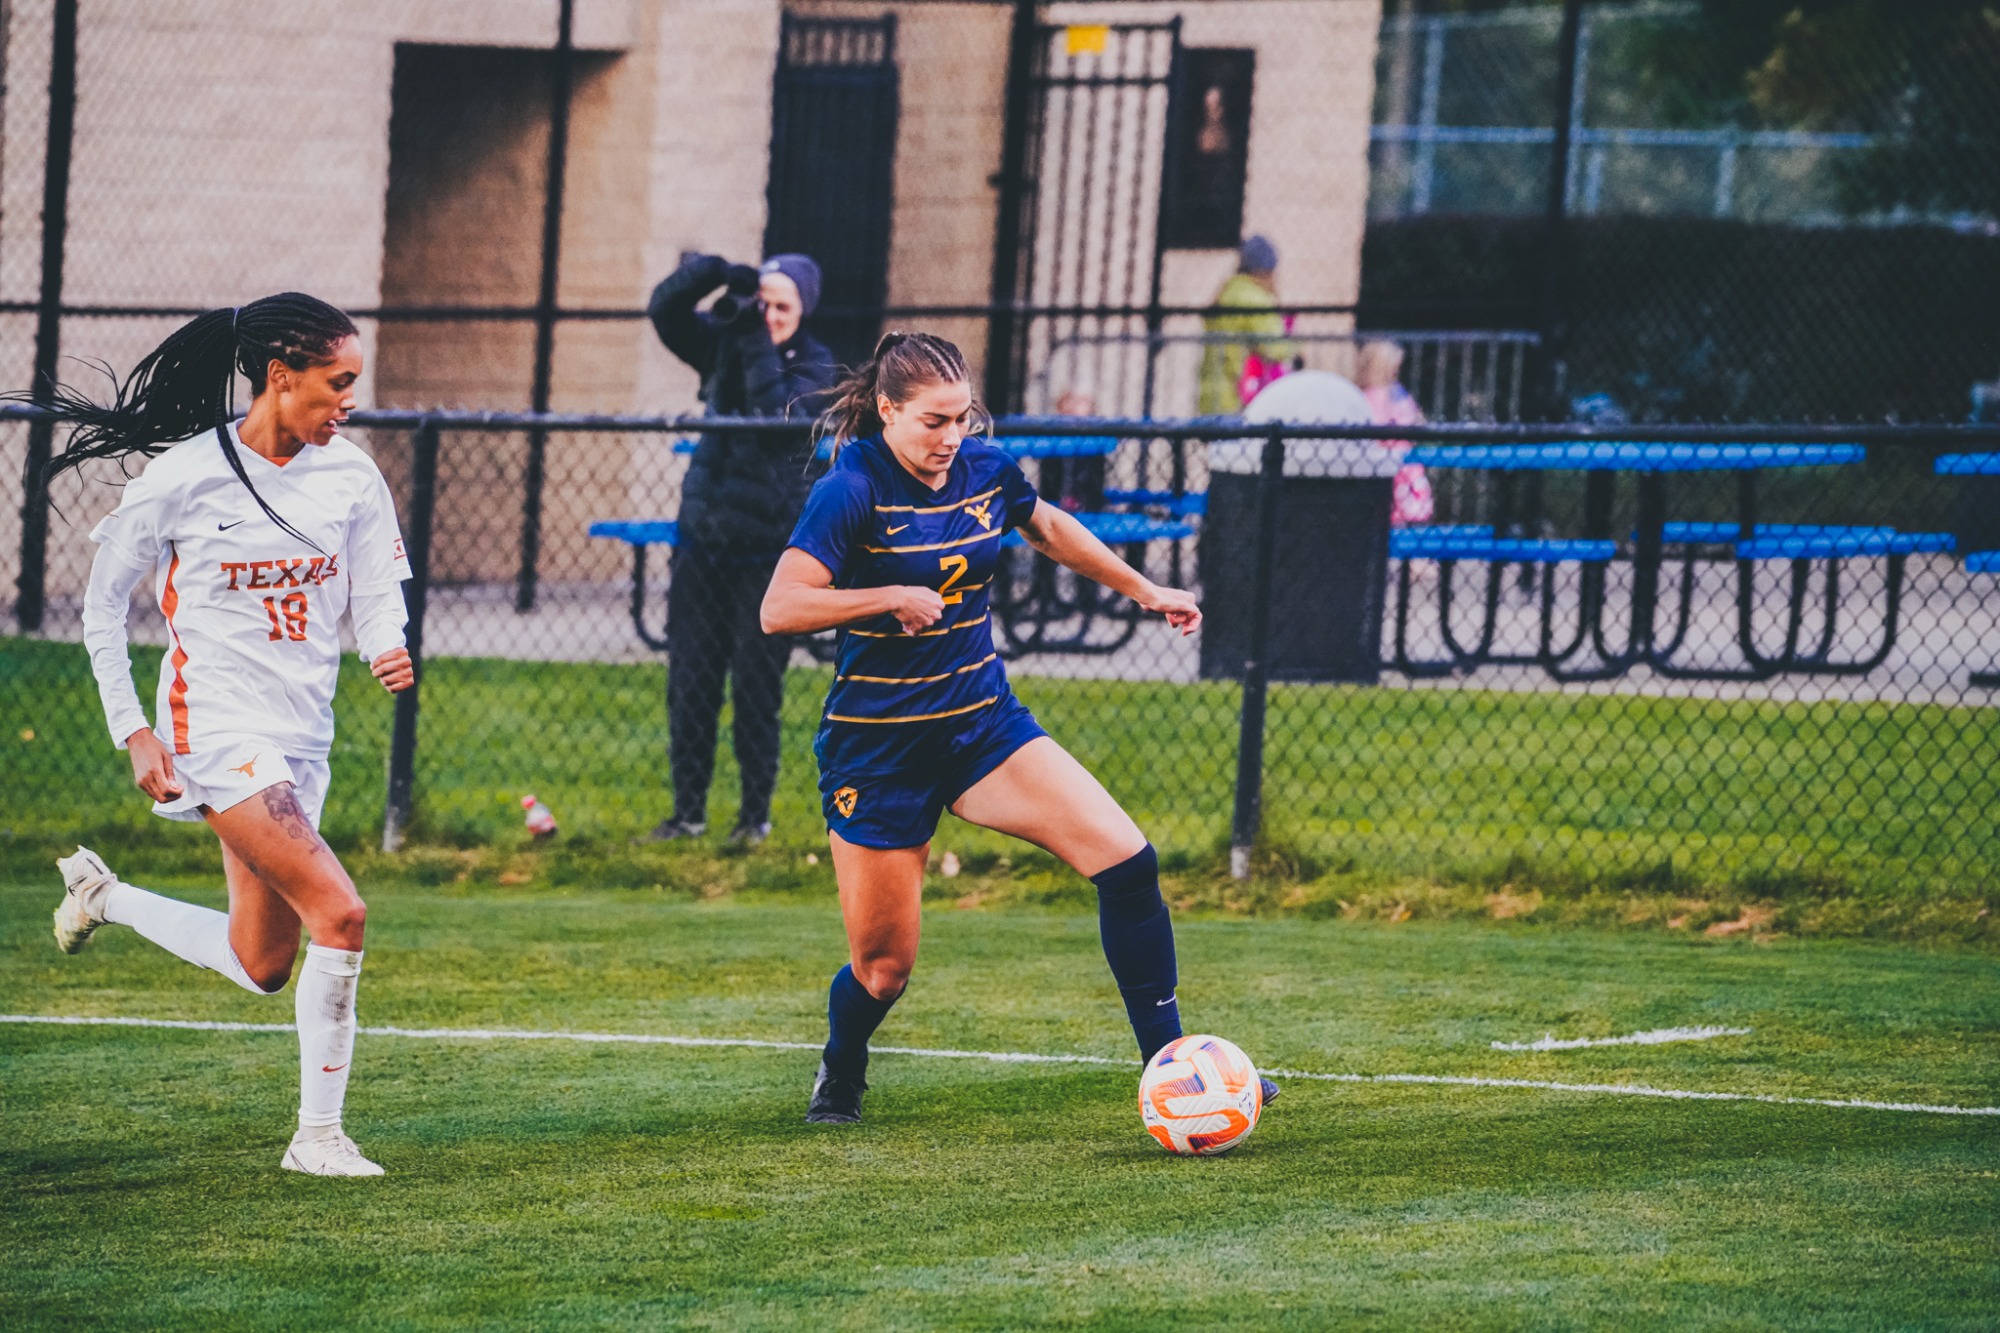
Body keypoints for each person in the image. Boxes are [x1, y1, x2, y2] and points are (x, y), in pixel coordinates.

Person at [760, 331, 1281, 1124]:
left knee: (1128, 862)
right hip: (880, 749)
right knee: (883, 971)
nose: (950, 438)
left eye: (962, 418)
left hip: (981, 727)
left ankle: (1176, 1067)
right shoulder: (851, 487)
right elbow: (781, 606)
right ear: (888, 409)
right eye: (933, 421)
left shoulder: (982, 469)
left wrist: (1145, 589)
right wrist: (884, 596)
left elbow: (1049, 527)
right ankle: (843, 1063)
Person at [35, 293, 413, 1176]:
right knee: (343, 913)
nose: (348, 401)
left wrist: (387, 647)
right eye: (337, 382)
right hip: (214, 726)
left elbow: (377, 586)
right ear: (281, 377)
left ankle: (103, 897)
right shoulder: (181, 476)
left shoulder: (351, 475)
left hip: (300, 733)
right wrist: (133, 729)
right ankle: (316, 1138)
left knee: (262, 963)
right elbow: (99, 607)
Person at [646, 251, 840, 845]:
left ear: (802, 310)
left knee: (757, 691)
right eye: (764, 302)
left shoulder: (817, 367)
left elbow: (768, 412)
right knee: (691, 686)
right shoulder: (727, 341)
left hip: (770, 557)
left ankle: (753, 817)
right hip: (704, 543)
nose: (769, 315)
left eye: (783, 306)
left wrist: (751, 331)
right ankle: (688, 814)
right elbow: (666, 312)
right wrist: (713, 272)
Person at [1198, 234, 1297, 415]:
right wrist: (1296, 351)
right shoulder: (1255, 299)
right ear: (1267, 270)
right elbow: (1276, 348)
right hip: (1238, 397)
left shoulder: (1226, 293)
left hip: (1210, 395)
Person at [1355, 339, 1435, 527]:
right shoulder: (1376, 394)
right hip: (1389, 461)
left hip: (1403, 460)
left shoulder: (1394, 391)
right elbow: (1381, 426)